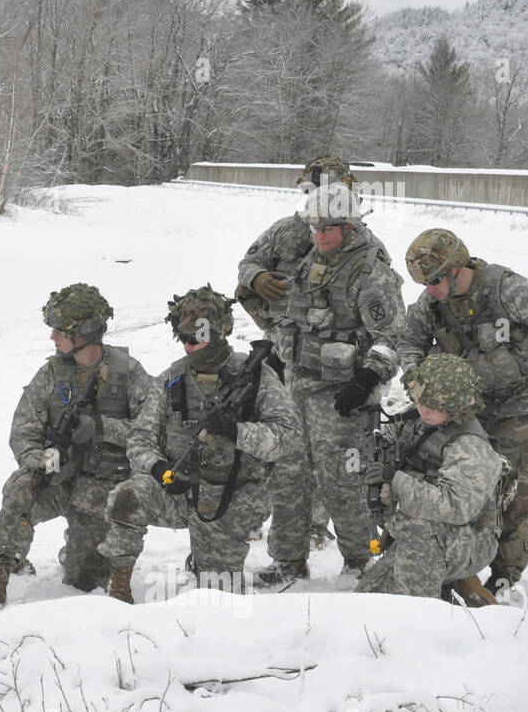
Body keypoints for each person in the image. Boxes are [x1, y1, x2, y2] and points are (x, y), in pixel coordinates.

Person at [98, 287, 302, 601]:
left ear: (220, 334)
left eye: (196, 339)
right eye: (184, 340)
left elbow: (287, 438)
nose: (189, 348)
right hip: (179, 490)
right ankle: (120, 586)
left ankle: (207, 557)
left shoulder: (256, 378)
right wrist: (158, 468)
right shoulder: (172, 379)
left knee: (219, 596)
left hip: (234, 496)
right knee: (126, 497)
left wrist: (236, 432)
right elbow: (140, 439)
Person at [236, 158, 391, 559]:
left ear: (349, 226)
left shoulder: (368, 269)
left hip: (341, 392)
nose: (317, 235)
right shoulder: (311, 259)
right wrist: (275, 330)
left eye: (326, 229)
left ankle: (361, 558)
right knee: (289, 474)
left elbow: (394, 335)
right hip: (297, 381)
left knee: (342, 479)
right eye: (314, 228)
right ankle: (288, 560)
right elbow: (285, 304)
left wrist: (368, 378)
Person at [397, 228, 528, 594]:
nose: (428, 289)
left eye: (434, 280)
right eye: (423, 282)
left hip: (519, 402)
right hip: (461, 405)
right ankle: (453, 563)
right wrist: (419, 384)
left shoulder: (510, 291)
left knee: (519, 488)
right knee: (448, 479)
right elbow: (411, 343)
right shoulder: (431, 301)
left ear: (456, 270)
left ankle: (505, 576)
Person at [0, 284, 152, 604]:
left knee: (83, 582)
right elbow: (23, 429)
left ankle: (76, 550)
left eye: (60, 330)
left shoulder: (127, 373)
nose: (53, 337)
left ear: (85, 331)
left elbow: (152, 432)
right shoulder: (51, 373)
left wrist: (102, 429)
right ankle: (0, 567)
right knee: (20, 487)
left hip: (102, 488)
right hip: (58, 479)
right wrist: (39, 459)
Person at [357, 355, 503, 601]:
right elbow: (394, 435)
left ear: (456, 406)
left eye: (432, 405)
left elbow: (455, 507)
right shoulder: (423, 418)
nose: (422, 408)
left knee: (402, 602)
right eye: (420, 400)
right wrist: (380, 448)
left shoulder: (469, 446)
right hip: (426, 532)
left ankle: (423, 623)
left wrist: (396, 480)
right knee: (369, 598)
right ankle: (444, 587)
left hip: (470, 539)